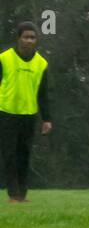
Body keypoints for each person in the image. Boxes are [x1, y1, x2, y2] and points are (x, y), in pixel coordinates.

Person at [0, 21, 52, 203]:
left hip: (29, 116)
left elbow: (43, 93)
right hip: (6, 113)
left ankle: (22, 194)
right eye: (26, 37)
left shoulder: (41, 64)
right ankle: (13, 194)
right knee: (9, 155)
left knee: (24, 155)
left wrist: (47, 119)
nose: (29, 41)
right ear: (18, 38)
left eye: (32, 37)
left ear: (36, 40)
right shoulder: (4, 58)